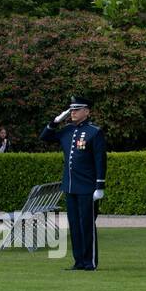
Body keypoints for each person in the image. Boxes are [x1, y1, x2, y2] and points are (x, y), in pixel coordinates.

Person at [39, 96, 106, 270]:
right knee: (75, 226)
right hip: (70, 186)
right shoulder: (67, 130)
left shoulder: (94, 132)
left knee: (87, 225)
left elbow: (100, 160)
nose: (73, 113)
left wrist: (100, 186)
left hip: (87, 187)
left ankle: (89, 262)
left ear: (87, 111)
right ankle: (79, 261)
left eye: (77, 110)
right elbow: (45, 137)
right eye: (71, 110)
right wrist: (55, 122)